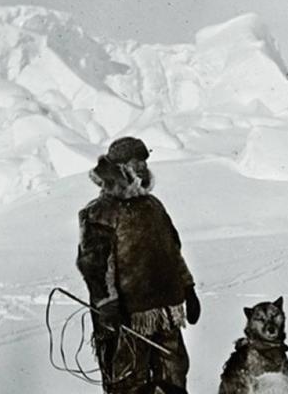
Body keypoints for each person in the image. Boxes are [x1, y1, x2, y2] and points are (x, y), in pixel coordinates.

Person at [76, 137, 201, 394]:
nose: (143, 167)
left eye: (145, 162)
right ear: (119, 168)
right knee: (129, 382)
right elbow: (95, 266)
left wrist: (188, 289)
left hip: (166, 312)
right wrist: (107, 305)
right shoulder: (100, 212)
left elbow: (173, 252)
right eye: (137, 162)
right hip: (127, 317)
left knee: (174, 376)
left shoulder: (153, 206)